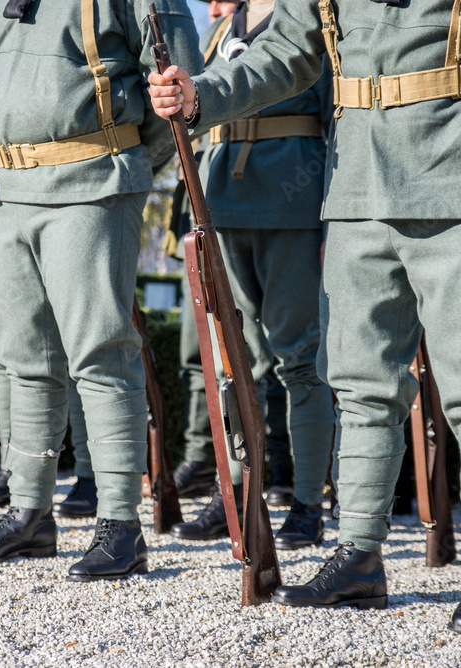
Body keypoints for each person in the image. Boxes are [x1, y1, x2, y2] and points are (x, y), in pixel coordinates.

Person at [148, 0, 461, 639]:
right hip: (358, 182)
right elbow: (287, 48)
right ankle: (360, 555)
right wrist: (201, 94)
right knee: (360, 383)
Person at [0, 0, 203, 581]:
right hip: (6, 190)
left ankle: (120, 525)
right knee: (21, 360)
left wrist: (125, 165)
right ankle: (31, 514)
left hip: (90, 184)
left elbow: (180, 92)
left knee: (101, 355)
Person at [168, 0, 335, 551]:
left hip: (293, 205)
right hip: (224, 206)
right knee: (232, 361)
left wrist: (335, 214)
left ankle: (309, 501)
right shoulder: (218, 32)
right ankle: (236, 492)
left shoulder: (315, 17)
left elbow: (339, 118)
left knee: (300, 358)